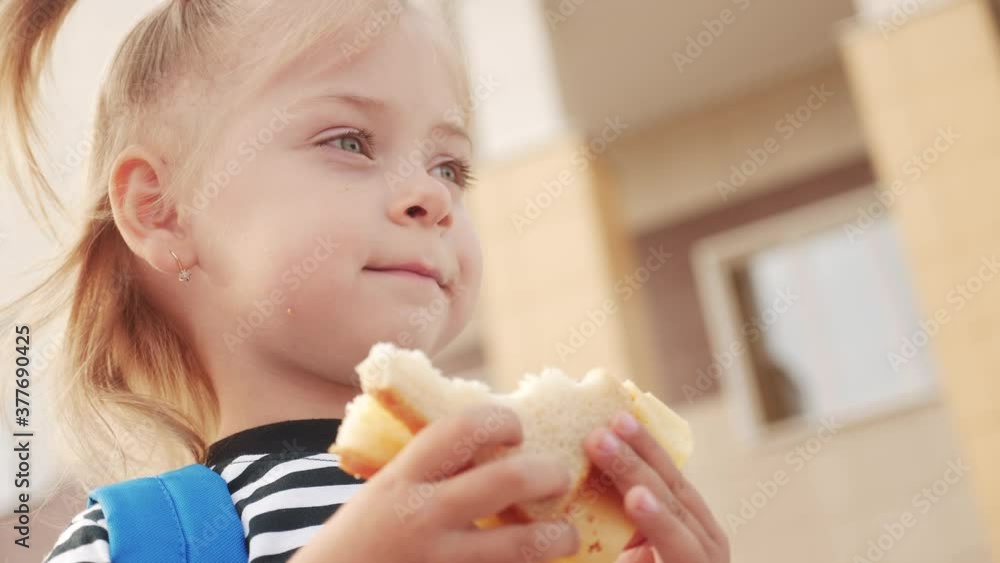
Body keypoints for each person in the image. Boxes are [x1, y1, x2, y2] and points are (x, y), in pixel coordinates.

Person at [0, 1, 730, 562]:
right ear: (161, 212)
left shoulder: (528, 498)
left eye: (449, 166)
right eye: (349, 141)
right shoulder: (134, 538)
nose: (434, 196)